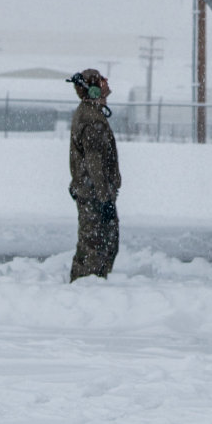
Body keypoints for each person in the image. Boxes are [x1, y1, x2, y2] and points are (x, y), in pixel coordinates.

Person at [67, 68, 121, 281]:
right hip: (95, 194)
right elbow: (94, 163)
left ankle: (91, 287)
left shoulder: (90, 113)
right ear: (94, 90)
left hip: (91, 191)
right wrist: (105, 198)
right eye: (101, 80)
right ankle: (85, 290)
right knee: (95, 249)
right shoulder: (92, 120)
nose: (106, 81)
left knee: (101, 246)